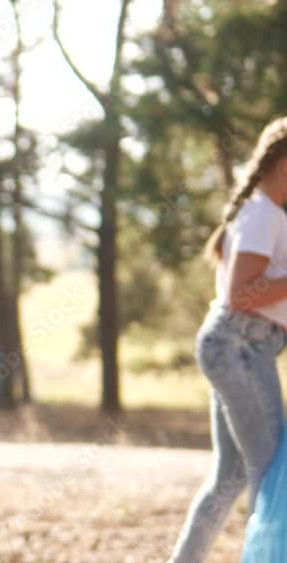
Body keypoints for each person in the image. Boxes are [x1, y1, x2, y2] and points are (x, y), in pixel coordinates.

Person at [169, 117, 287, 562]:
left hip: (236, 345)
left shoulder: (261, 212)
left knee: (229, 477)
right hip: (241, 348)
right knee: (270, 475)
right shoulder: (264, 214)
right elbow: (243, 293)